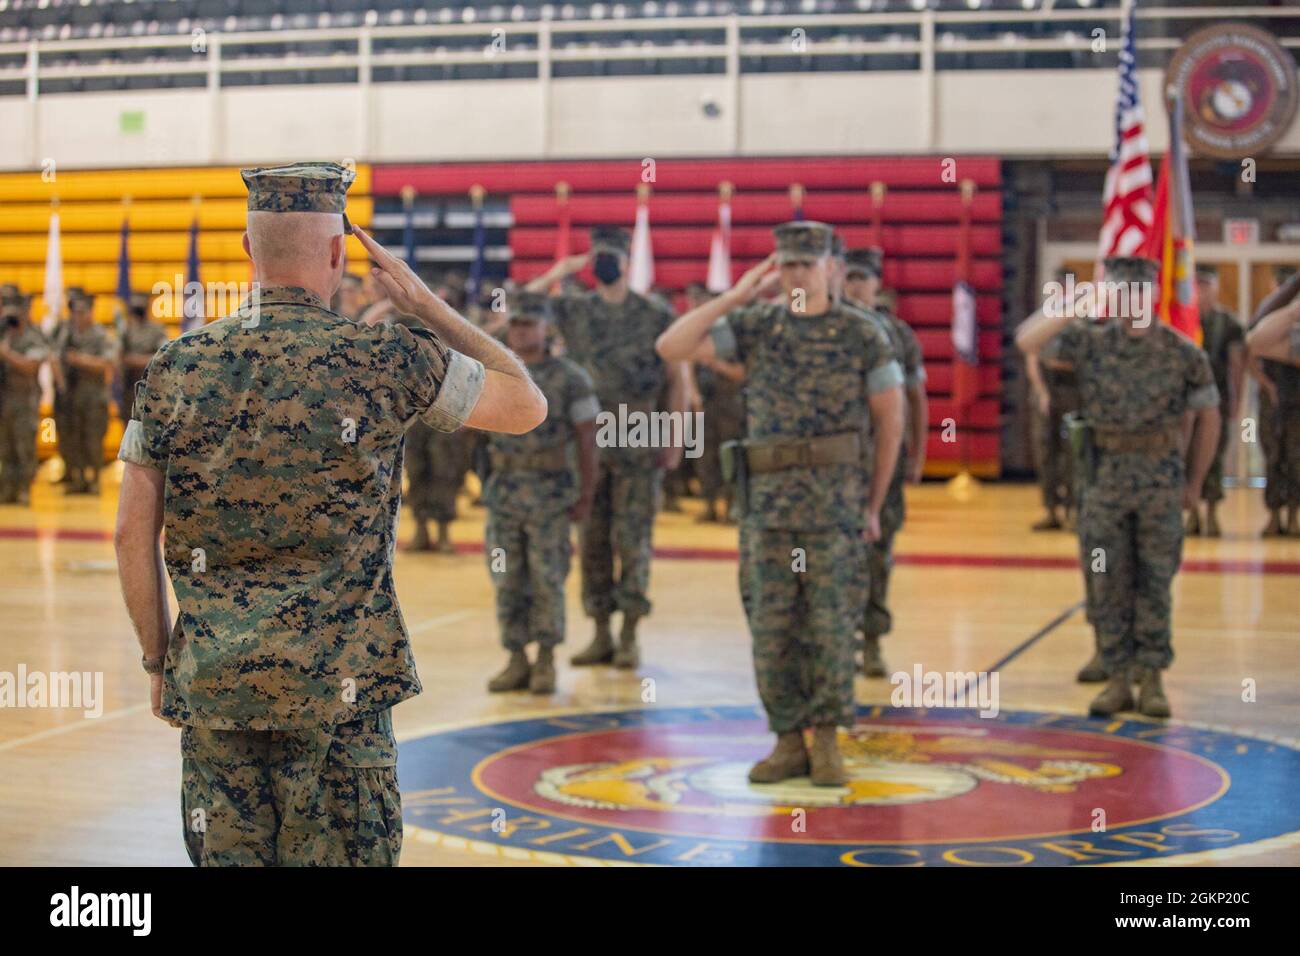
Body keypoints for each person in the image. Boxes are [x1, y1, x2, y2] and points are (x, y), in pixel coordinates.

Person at [113, 162, 546, 867]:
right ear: (341, 256)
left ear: (249, 252)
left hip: (219, 690)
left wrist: (159, 660)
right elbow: (526, 402)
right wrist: (427, 303)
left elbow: (133, 532)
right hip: (340, 703)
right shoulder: (387, 358)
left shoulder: (177, 367)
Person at [657, 221, 905, 786]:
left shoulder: (862, 333)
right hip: (766, 510)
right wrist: (735, 296)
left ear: (829, 270)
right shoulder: (754, 326)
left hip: (835, 510)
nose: (796, 274)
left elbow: (891, 422)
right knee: (771, 628)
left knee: (832, 627)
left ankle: (827, 742)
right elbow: (670, 346)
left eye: (806, 264)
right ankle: (788, 739)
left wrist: (873, 503)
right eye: (787, 264)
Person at [1016, 256, 1220, 719]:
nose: (1132, 301)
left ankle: (1151, 678)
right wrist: (1077, 300)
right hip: (1104, 482)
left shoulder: (1182, 351)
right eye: (1122, 291)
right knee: (1107, 582)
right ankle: (1117, 677)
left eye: (1139, 291)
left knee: (1155, 582)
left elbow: (1209, 416)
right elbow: (1028, 339)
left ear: (1153, 295)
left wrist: (1194, 483)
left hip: (1159, 483)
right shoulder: (1092, 343)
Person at [526, 226, 688, 670]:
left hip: (639, 437)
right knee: (592, 538)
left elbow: (677, 381)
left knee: (633, 539)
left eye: (612, 254)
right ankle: (600, 631)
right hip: (588, 443)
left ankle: (630, 633)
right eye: (598, 254)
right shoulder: (576, 308)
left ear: (627, 259)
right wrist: (561, 270)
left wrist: (675, 439)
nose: (605, 261)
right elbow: (521, 305)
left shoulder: (655, 313)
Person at [483, 291, 598, 694]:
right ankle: (517, 658)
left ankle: (546, 659)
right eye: (515, 324)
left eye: (529, 324)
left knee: (548, 578)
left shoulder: (570, 378)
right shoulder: (495, 373)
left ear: (547, 328)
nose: (520, 331)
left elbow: (588, 439)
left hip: (550, 496)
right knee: (507, 578)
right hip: (504, 494)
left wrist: (586, 494)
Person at [841, 246, 928, 678]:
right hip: (835, 464)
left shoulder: (897, 333)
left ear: (878, 284)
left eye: (864, 278)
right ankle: (838, 640)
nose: (856, 286)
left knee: (878, 552)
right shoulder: (827, 328)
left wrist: (919, 451)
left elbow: (914, 396)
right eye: (850, 277)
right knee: (832, 556)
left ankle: (872, 640)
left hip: (882, 460)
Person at [1185, 264, 1244, 537]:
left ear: (1216, 287)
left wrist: (1236, 401)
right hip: (1185, 404)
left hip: (1216, 401)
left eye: (1208, 284)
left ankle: (1211, 514)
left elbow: (1236, 366)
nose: (1203, 290)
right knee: (1187, 456)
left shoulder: (1228, 323)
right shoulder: (1183, 320)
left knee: (1215, 457)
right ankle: (1193, 513)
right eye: (1198, 284)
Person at [1025, 270, 1081, 532]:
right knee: (1045, 450)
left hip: (1072, 388)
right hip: (1046, 387)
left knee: (1073, 452)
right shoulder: (1043, 320)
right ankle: (1050, 510)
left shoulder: (1081, 322)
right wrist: (1042, 392)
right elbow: (1031, 356)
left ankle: (1072, 510)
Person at [1247, 266, 1300, 536]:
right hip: (1274, 399)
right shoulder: (1276, 321)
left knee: (1296, 458)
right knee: (1272, 456)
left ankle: (1293, 515)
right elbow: (1253, 343)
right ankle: (1274, 514)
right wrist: (1266, 385)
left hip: (1296, 403)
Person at [687, 283, 746, 523]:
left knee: (730, 457)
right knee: (704, 457)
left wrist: (714, 363)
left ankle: (731, 506)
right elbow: (688, 365)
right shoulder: (701, 335)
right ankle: (709, 505)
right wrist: (693, 395)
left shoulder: (736, 336)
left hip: (730, 407)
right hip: (705, 406)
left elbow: (742, 373)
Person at [60, 290, 119, 494]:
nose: (77, 317)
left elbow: (107, 363)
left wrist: (79, 360)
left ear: (90, 313)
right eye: (74, 313)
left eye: (81, 312)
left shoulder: (101, 335)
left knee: (93, 440)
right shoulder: (68, 334)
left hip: (94, 396)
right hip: (74, 395)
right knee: (75, 438)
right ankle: (78, 479)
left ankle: (94, 480)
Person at [0, 294, 50, 505]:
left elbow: (31, 366)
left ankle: (23, 489)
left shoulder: (33, 336)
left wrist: (6, 354)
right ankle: (7, 488)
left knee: (24, 446)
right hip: (5, 400)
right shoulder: (3, 336)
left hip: (24, 400)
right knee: (5, 446)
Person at [119, 291, 168, 423]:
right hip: (129, 387)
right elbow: (118, 356)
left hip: (151, 388)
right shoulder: (126, 329)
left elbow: (163, 356)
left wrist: (137, 360)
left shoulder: (157, 330)